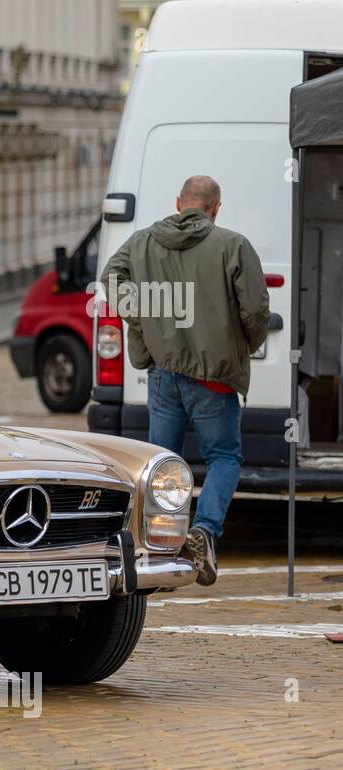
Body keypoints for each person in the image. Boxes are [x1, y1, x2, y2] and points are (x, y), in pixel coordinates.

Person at [100, 175, 270, 586]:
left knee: (163, 464)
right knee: (224, 459)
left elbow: (110, 279)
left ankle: (158, 543)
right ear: (215, 208)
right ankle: (205, 531)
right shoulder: (233, 245)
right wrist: (243, 344)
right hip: (214, 377)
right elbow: (257, 309)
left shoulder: (142, 241)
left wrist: (142, 320)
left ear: (179, 203)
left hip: (163, 372)